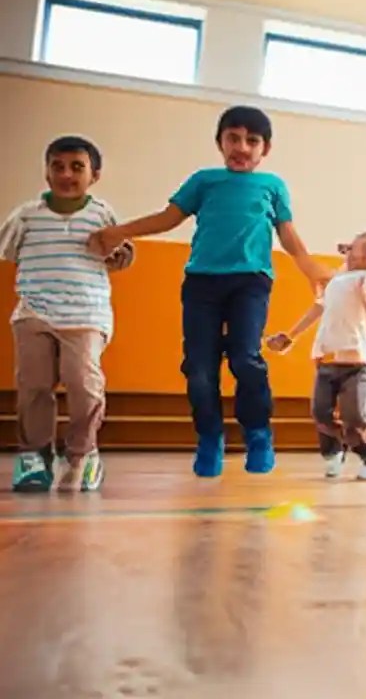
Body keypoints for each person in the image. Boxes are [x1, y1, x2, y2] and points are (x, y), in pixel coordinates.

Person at [89, 106, 329, 478]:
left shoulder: (272, 186)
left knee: (245, 358)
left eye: (252, 141)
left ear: (265, 148)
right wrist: (120, 232)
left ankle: (258, 433)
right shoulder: (204, 180)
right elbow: (168, 218)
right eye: (233, 138)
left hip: (251, 281)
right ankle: (209, 437)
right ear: (220, 142)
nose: (242, 147)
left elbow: (287, 233)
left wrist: (309, 266)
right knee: (199, 368)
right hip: (202, 283)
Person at [1, 136, 134, 492]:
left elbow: (121, 255)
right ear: (46, 173)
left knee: (83, 382)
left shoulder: (102, 214)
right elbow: (10, 252)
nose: (66, 174)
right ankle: (35, 456)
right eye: (57, 166)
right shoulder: (26, 215)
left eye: (77, 167)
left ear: (95, 175)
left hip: (86, 314)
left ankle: (83, 453)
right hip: (34, 312)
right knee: (34, 385)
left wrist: (116, 254)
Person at [266, 231, 366, 481]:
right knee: (320, 411)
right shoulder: (340, 277)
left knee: (354, 414)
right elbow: (319, 306)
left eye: (358, 246)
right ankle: (333, 453)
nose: (350, 248)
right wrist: (290, 335)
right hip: (327, 357)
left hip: (357, 360)